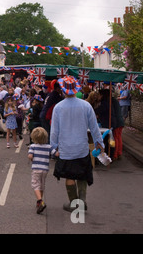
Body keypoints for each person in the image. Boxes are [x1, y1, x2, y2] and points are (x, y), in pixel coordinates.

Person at [50, 76, 104, 212]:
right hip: (82, 147)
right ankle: (82, 201)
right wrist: (99, 142)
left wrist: (53, 147)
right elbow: (94, 127)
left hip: (66, 149)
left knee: (69, 176)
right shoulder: (86, 105)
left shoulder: (58, 108)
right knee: (82, 174)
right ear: (76, 89)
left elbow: (54, 131)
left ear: (62, 90)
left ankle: (74, 204)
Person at [28, 127, 56, 214]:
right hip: (45, 169)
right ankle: (39, 201)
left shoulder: (33, 146)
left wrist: (32, 159)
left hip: (36, 169)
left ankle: (40, 201)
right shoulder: (49, 147)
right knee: (42, 185)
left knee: (35, 184)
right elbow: (56, 153)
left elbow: (30, 156)